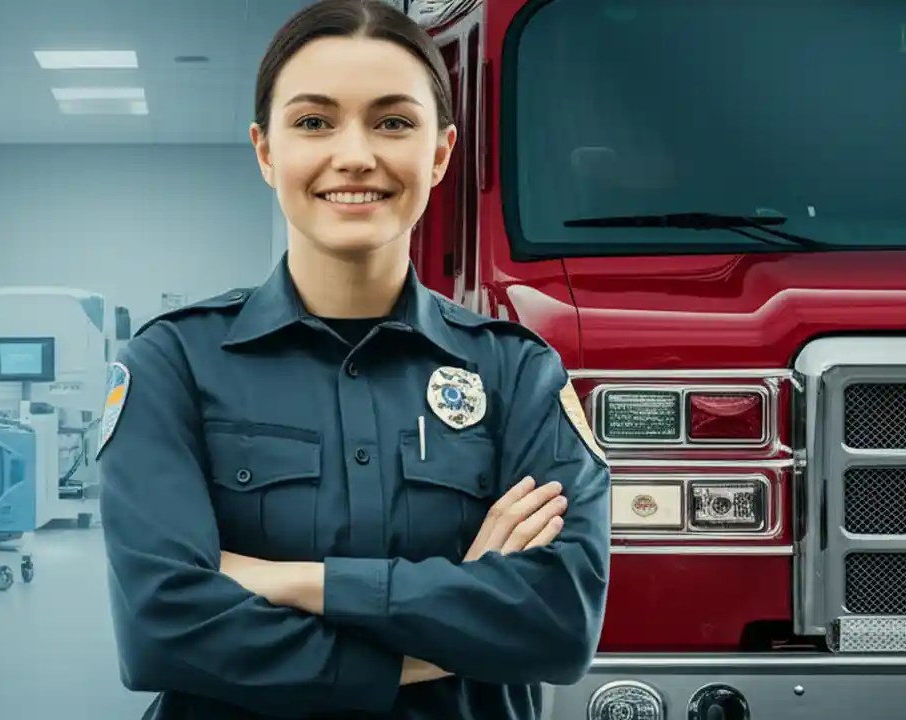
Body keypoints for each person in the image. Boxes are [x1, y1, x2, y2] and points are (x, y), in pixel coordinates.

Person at [95, 1, 611, 717]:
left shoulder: (517, 373)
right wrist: (454, 619)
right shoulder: (173, 364)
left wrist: (296, 581)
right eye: (313, 122)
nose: (356, 155)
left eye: (394, 122)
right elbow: (162, 631)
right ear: (266, 150)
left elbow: (557, 624)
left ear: (439, 153)